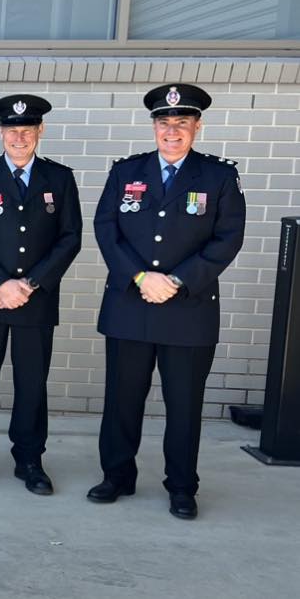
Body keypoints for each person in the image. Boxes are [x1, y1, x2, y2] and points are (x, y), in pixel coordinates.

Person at [89, 83, 246, 520]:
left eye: (181, 122)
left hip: (188, 310)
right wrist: (140, 276)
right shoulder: (127, 172)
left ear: (197, 126)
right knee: (122, 400)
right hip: (130, 305)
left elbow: (227, 238)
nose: (171, 130)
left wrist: (176, 280)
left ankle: (181, 487)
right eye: (164, 123)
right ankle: (116, 476)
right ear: (154, 127)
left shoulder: (218, 176)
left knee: (184, 405)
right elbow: (106, 229)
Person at [0, 95, 82, 494]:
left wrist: (30, 284)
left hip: (36, 300)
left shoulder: (59, 179)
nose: (19, 137)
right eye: (12, 130)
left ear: (40, 131)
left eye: (27, 130)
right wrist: (1, 284)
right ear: (1, 133)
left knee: (31, 383)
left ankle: (29, 459)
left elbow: (70, 238)